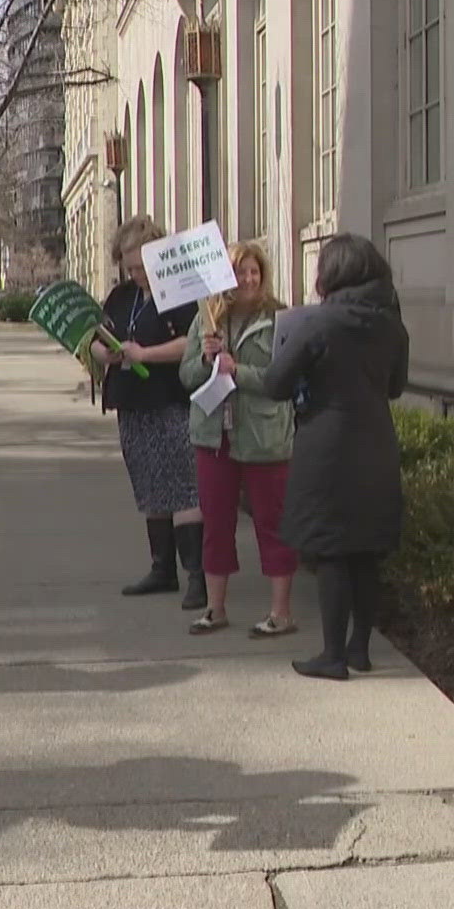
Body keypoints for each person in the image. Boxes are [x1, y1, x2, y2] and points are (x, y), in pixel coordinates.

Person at [260, 234, 410, 681]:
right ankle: (359, 648)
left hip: (327, 446)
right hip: (377, 444)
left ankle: (332, 655)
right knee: (366, 552)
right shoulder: (392, 326)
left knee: (332, 552)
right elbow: (396, 387)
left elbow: (275, 384)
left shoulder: (318, 324)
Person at [178, 242, 298, 638]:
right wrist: (205, 359)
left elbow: (284, 380)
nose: (248, 279)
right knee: (216, 522)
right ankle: (215, 608)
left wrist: (238, 370)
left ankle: (280, 613)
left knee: (272, 522)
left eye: (254, 272)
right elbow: (187, 379)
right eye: (240, 272)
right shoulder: (208, 317)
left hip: (264, 436)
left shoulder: (280, 318)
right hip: (215, 436)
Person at [92, 215, 206, 611]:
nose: (136, 273)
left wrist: (146, 354)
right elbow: (96, 337)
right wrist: (103, 352)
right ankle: (162, 568)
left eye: (142, 265)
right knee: (149, 484)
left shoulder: (180, 294)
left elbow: (192, 343)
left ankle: (197, 574)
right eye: (130, 265)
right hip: (131, 402)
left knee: (184, 484)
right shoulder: (122, 297)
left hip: (170, 398)